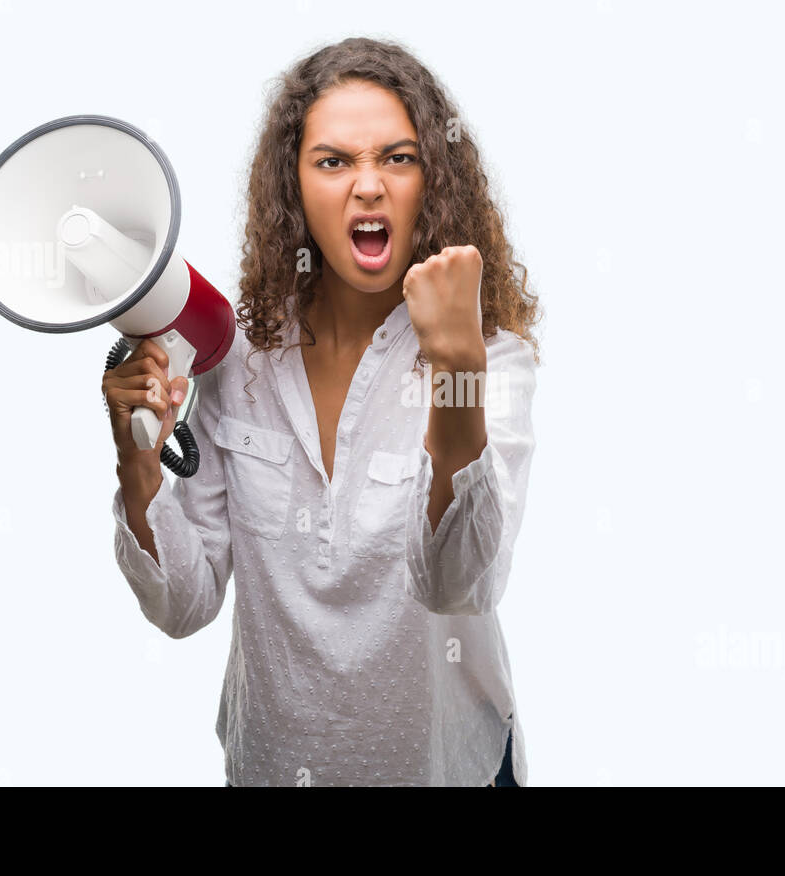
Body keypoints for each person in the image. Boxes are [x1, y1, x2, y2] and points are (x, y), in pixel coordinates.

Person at [102, 36, 541, 787]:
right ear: (294, 186)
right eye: (333, 161)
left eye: (397, 158)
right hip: (277, 764)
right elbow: (186, 603)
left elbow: (458, 582)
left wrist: (456, 370)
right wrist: (141, 476)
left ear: (431, 181)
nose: (367, 185)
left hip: (445, 766)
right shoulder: (239, 356)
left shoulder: (493, 355)